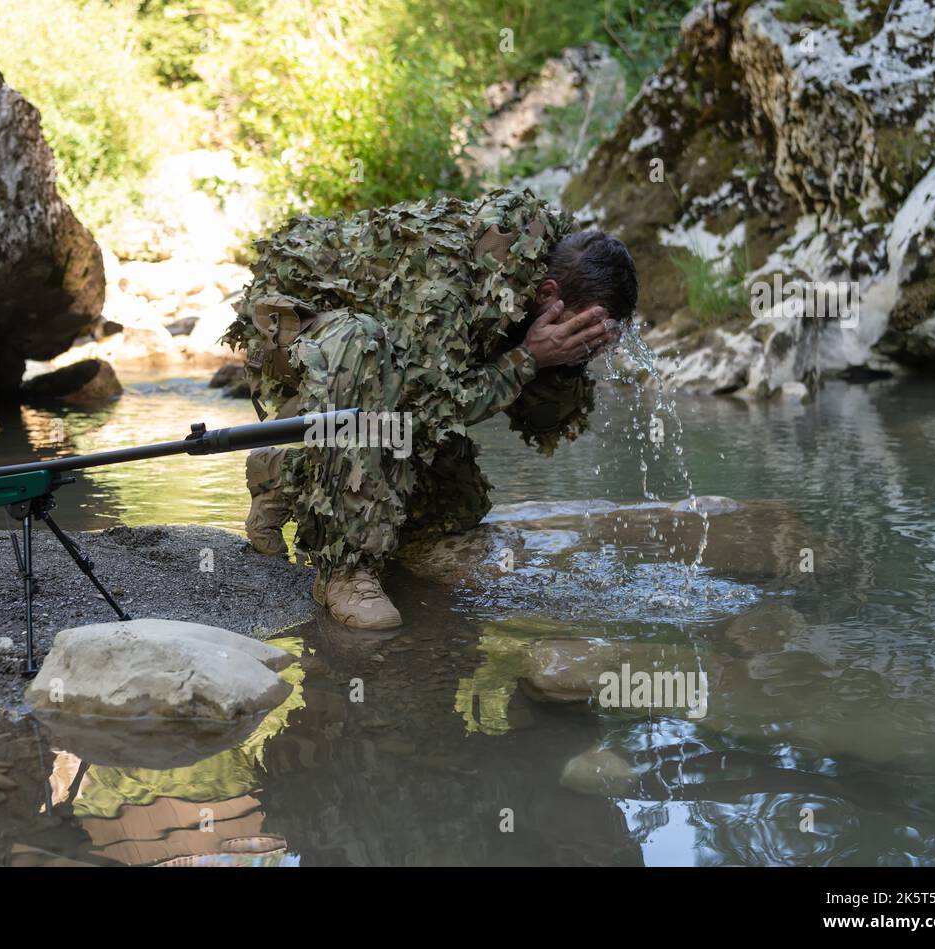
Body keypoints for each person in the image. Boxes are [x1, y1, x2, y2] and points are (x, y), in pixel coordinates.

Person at [223, 188, 637, 629]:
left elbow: (540, 421)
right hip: (298, 325)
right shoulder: (449, 281)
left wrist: (561, 364)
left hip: (398, 365)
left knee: (451, 510)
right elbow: (420, 411)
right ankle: (344, 570)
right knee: (359, 345)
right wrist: (528, 359)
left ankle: (285, 475)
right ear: (549, 294)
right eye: (587, 327)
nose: (590, 340)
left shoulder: (544, 273)